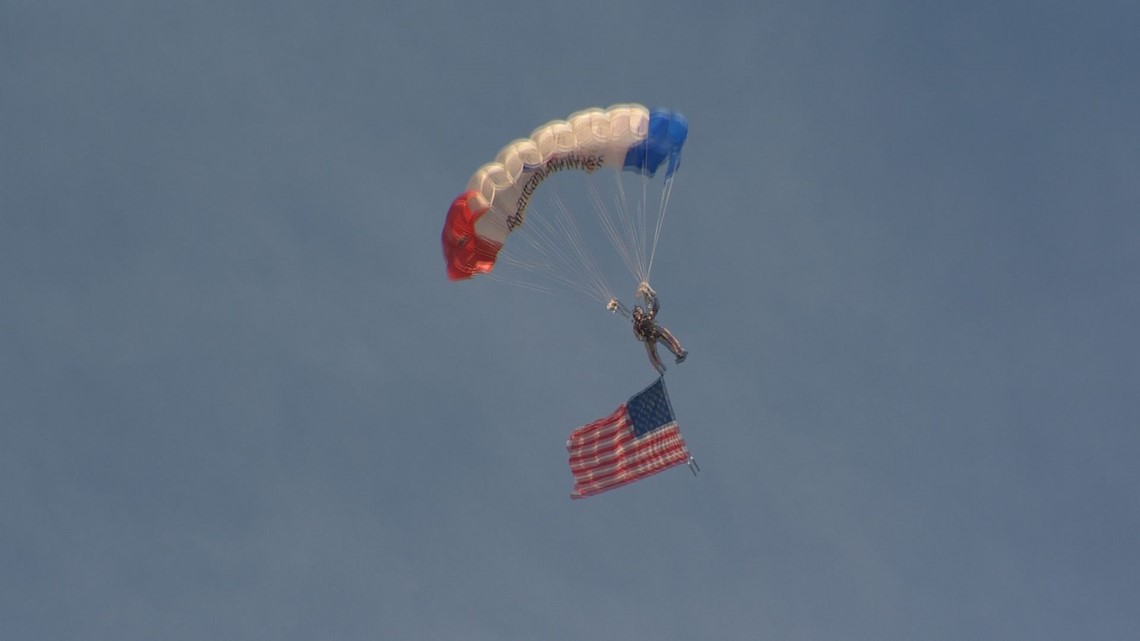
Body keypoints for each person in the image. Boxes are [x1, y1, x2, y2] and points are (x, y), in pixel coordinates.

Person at [619, 283, 687, 375]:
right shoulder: (636, 324)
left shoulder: (648, 315)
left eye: (638, 312)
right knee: (653, 354)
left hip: (656, 332)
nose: (637, 314)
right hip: (648, 338)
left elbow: (652, 306)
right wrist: (617, 306)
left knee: (668, 338)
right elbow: (626, 314)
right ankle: (659, 367)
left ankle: (679, 352)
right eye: (636, 313)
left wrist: (648, 293)